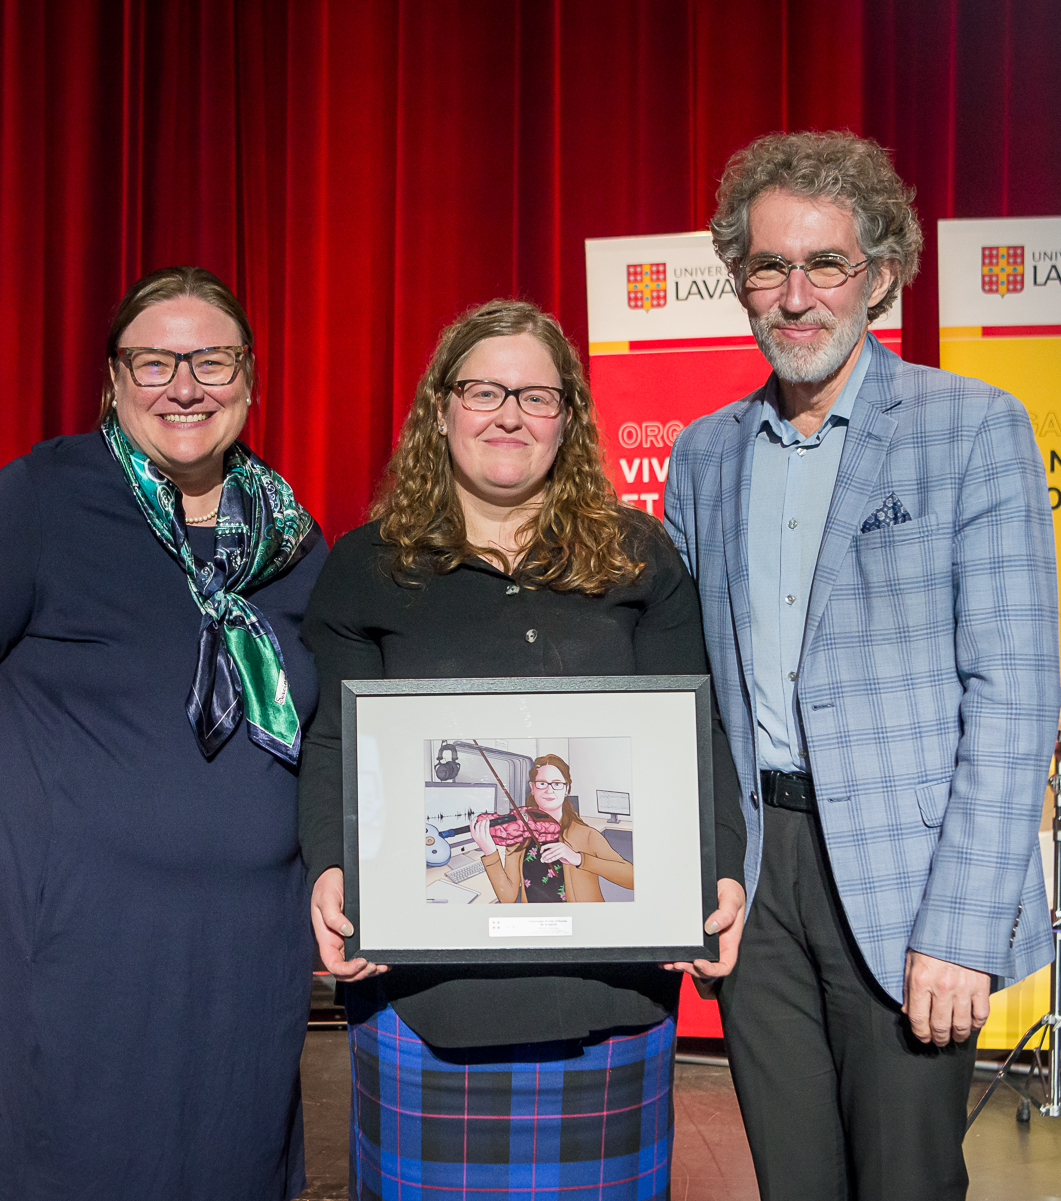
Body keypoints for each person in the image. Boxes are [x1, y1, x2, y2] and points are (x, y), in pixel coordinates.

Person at [0, 266, 326, 1201]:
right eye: (154, 362)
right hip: (63, 948)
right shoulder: (48, 496)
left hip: (233, 965)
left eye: (212, 361)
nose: (183, 385)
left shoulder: (294, 540)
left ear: (252, 379)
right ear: (113, 381)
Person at [662, 131, 1059, 1201]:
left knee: (905, 1185)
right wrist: (694, 870)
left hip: (910, 884)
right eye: (768, 266)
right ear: (738, 277)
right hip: (758, 877)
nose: (795, 296)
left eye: (824, 264)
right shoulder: (702, 454)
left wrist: (963, 932)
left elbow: (1014, 699)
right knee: (793, 1183)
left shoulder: (972, 428)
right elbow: (696, 694)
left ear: (880, 274)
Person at [300, 299, 746, 1200]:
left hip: (608, 992)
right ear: (442, 408)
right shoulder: (366, 564)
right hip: (425, 992)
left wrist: (716, 870)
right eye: (485, 390)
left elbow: (693, 732)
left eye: (536, 395)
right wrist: (332, 868)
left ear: (569, 419)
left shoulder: (638, 557)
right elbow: (335, 741)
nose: (508, 412)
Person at [473, 754, 636, 902]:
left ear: (567, 788)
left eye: (557, 784)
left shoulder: (586, 835)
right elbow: (507, 897)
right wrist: (490, 854)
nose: (549, 790)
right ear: (532, 787)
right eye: (542, 783)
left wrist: (579, 859)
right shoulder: (518, 837)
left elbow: (632, 879)